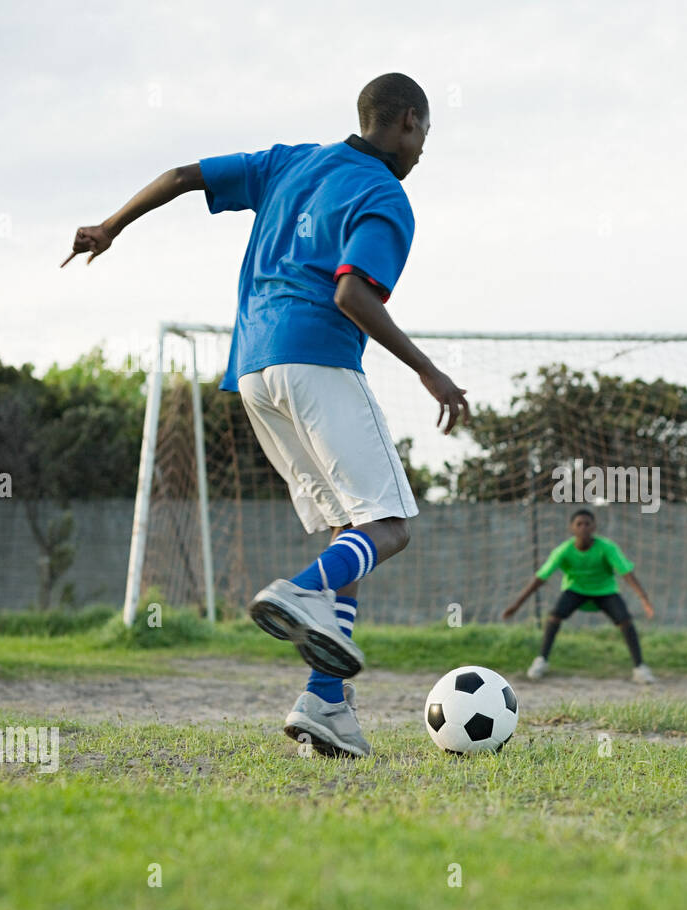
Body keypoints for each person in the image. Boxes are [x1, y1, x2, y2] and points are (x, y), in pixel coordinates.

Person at [63, 73, 469, 758]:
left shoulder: (289, 161)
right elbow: (351, 296)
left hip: (254, 370)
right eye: (424, 134)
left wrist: (111, 225)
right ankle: (299, 590)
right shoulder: (384, 194)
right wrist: (429, 370)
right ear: (405, 121)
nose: (422, 150)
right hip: (317, 360)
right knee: (389, 524)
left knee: (348, 528)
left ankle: (325, 703)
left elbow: (183, 173)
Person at [502, 509, 656, 683]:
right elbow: (540, 578)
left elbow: (626, 573)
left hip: (605, 591)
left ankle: (640, 668)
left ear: (594, 527)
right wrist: (517, 605)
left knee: (625, 621)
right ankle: (541, 661)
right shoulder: (564, 550)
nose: (583, 527)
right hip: (575, 589)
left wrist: (644, 599)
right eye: (579, 524)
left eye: (587, 524)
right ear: (572, 528)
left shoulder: (607, 547)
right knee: (554, 617)